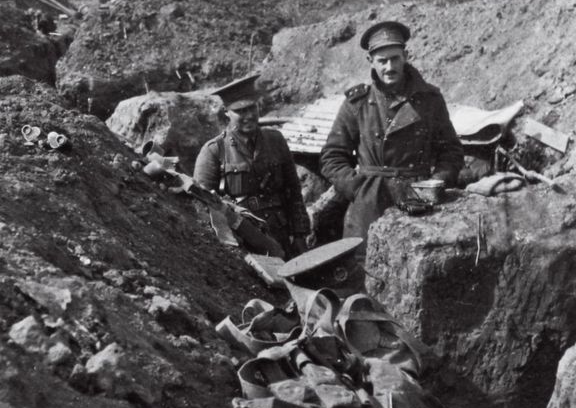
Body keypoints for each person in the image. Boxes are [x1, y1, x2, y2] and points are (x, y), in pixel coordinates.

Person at [320, 20, 464, 264]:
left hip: (417, 198)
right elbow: (332, 156)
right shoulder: (358, 103)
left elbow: (451, 151)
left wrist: (437, 181)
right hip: (369, 203)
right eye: (382, 61)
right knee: (364, 271)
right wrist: (356, 188)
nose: (389, 67)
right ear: (370, 62)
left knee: (414, 269)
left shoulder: (430, 100)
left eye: (395, 59)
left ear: (406, 56)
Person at [193, 74, 312, 259]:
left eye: (252, 108)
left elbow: (293, 191)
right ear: (227, 112)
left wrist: (299, 235)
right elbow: (203, 205)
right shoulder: (213, 151)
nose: (248, 116)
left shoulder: (276, 140)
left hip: (281, 233)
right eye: (241, 111)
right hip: (245, 241)